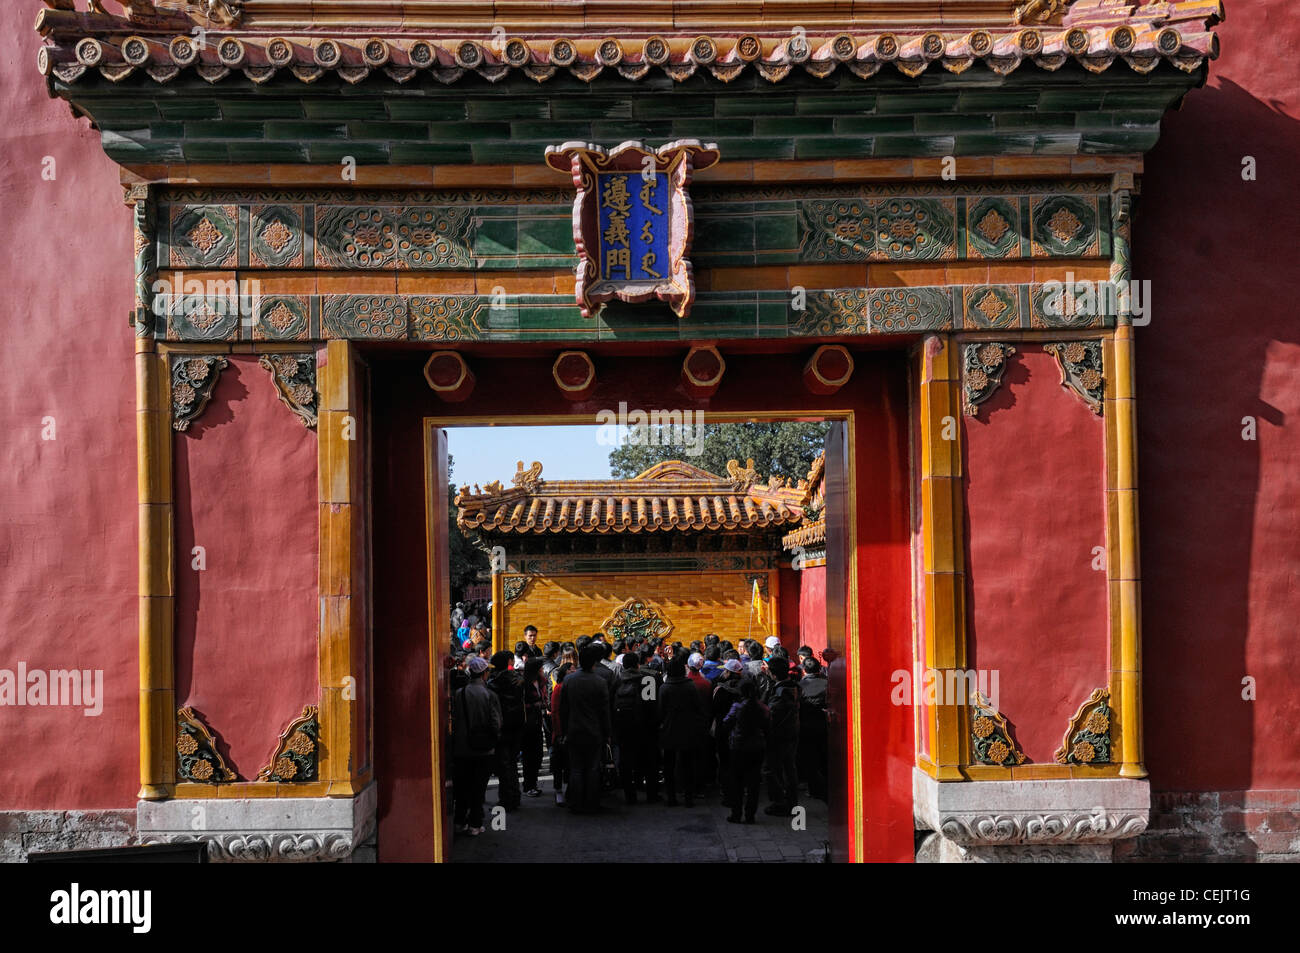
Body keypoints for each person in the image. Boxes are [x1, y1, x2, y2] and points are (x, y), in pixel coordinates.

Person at [559, 644, 612, 814]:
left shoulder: (569, 680)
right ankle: (591, 802)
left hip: (574, 729)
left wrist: (564, 731)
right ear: (594, 663)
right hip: (594, 731)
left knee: (576, 768)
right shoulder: (600, 682)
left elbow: (563, 709)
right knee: (592, 768)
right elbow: (605, 711)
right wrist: (607, 733)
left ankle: (576, 802)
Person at [452, 656, 501, 836]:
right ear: (484, 674)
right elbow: (496, 723)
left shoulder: (459, 693)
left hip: (462, 747)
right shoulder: (489, 695)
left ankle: (460, 820)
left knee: (463, 785)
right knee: (478, 788)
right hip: (484, 749)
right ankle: (475, 823)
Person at [658, 656, 709, 807]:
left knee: (669, 765)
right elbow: (698, 708)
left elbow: (660, 712)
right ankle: (688, 797)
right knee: (687, 764)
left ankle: (671, 797)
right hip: (688, 729)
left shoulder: (664, 688)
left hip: (669, 730)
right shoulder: (690, 686)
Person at [613, 653, 660, 804]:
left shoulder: (617, 680)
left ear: (623, 665)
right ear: (638, 664)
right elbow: (652, 707)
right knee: (649, 762)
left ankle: (630, 796)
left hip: (624, 728)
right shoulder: (647, 680)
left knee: (626, 763)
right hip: (645, 728)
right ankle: (651, 794)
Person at [722, 679, 770, 824]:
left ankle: (736, 814)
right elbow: (767, 727)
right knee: (753, 783)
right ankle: (750, 815)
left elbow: (726, 723)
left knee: (737, 782)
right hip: (757, 748)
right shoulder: (762, 707)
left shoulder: (737, 707)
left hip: (738, 747)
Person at [762, 657, 801, 816]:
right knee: (789, 768)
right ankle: (791, 801)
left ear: (773, 673)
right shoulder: (796, 686)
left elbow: (771, 716)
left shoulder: (779, 692)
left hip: (779, 735)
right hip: (793, 732)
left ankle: (780, 802)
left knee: (770, 770)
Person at [487, 650, 525, 812]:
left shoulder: (493, 682)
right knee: (512, 763)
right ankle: (515, 796)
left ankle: (506, 799)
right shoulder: (518, 679)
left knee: (503, 765)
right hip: (517, 725)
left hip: (502, 727)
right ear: (509, 661)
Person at [798, 657, 829, 799]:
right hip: (823, 724)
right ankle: (827, 786)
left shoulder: (799, 686)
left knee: (810, 759)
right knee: (824, 756)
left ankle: (813, 789)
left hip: (805, 725)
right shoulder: (827, 683)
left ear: (804, 670)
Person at [520, 657, 546, 797]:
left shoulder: (541, 682)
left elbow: (543, 699)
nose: (543, 670)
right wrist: (533, 705)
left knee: (537, 755)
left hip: (537, 722)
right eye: (541, 668)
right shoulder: (523, 684)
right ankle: (529, 785)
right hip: (527, 724)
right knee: (529, 756)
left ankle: (533, 783)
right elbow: (520, 705)